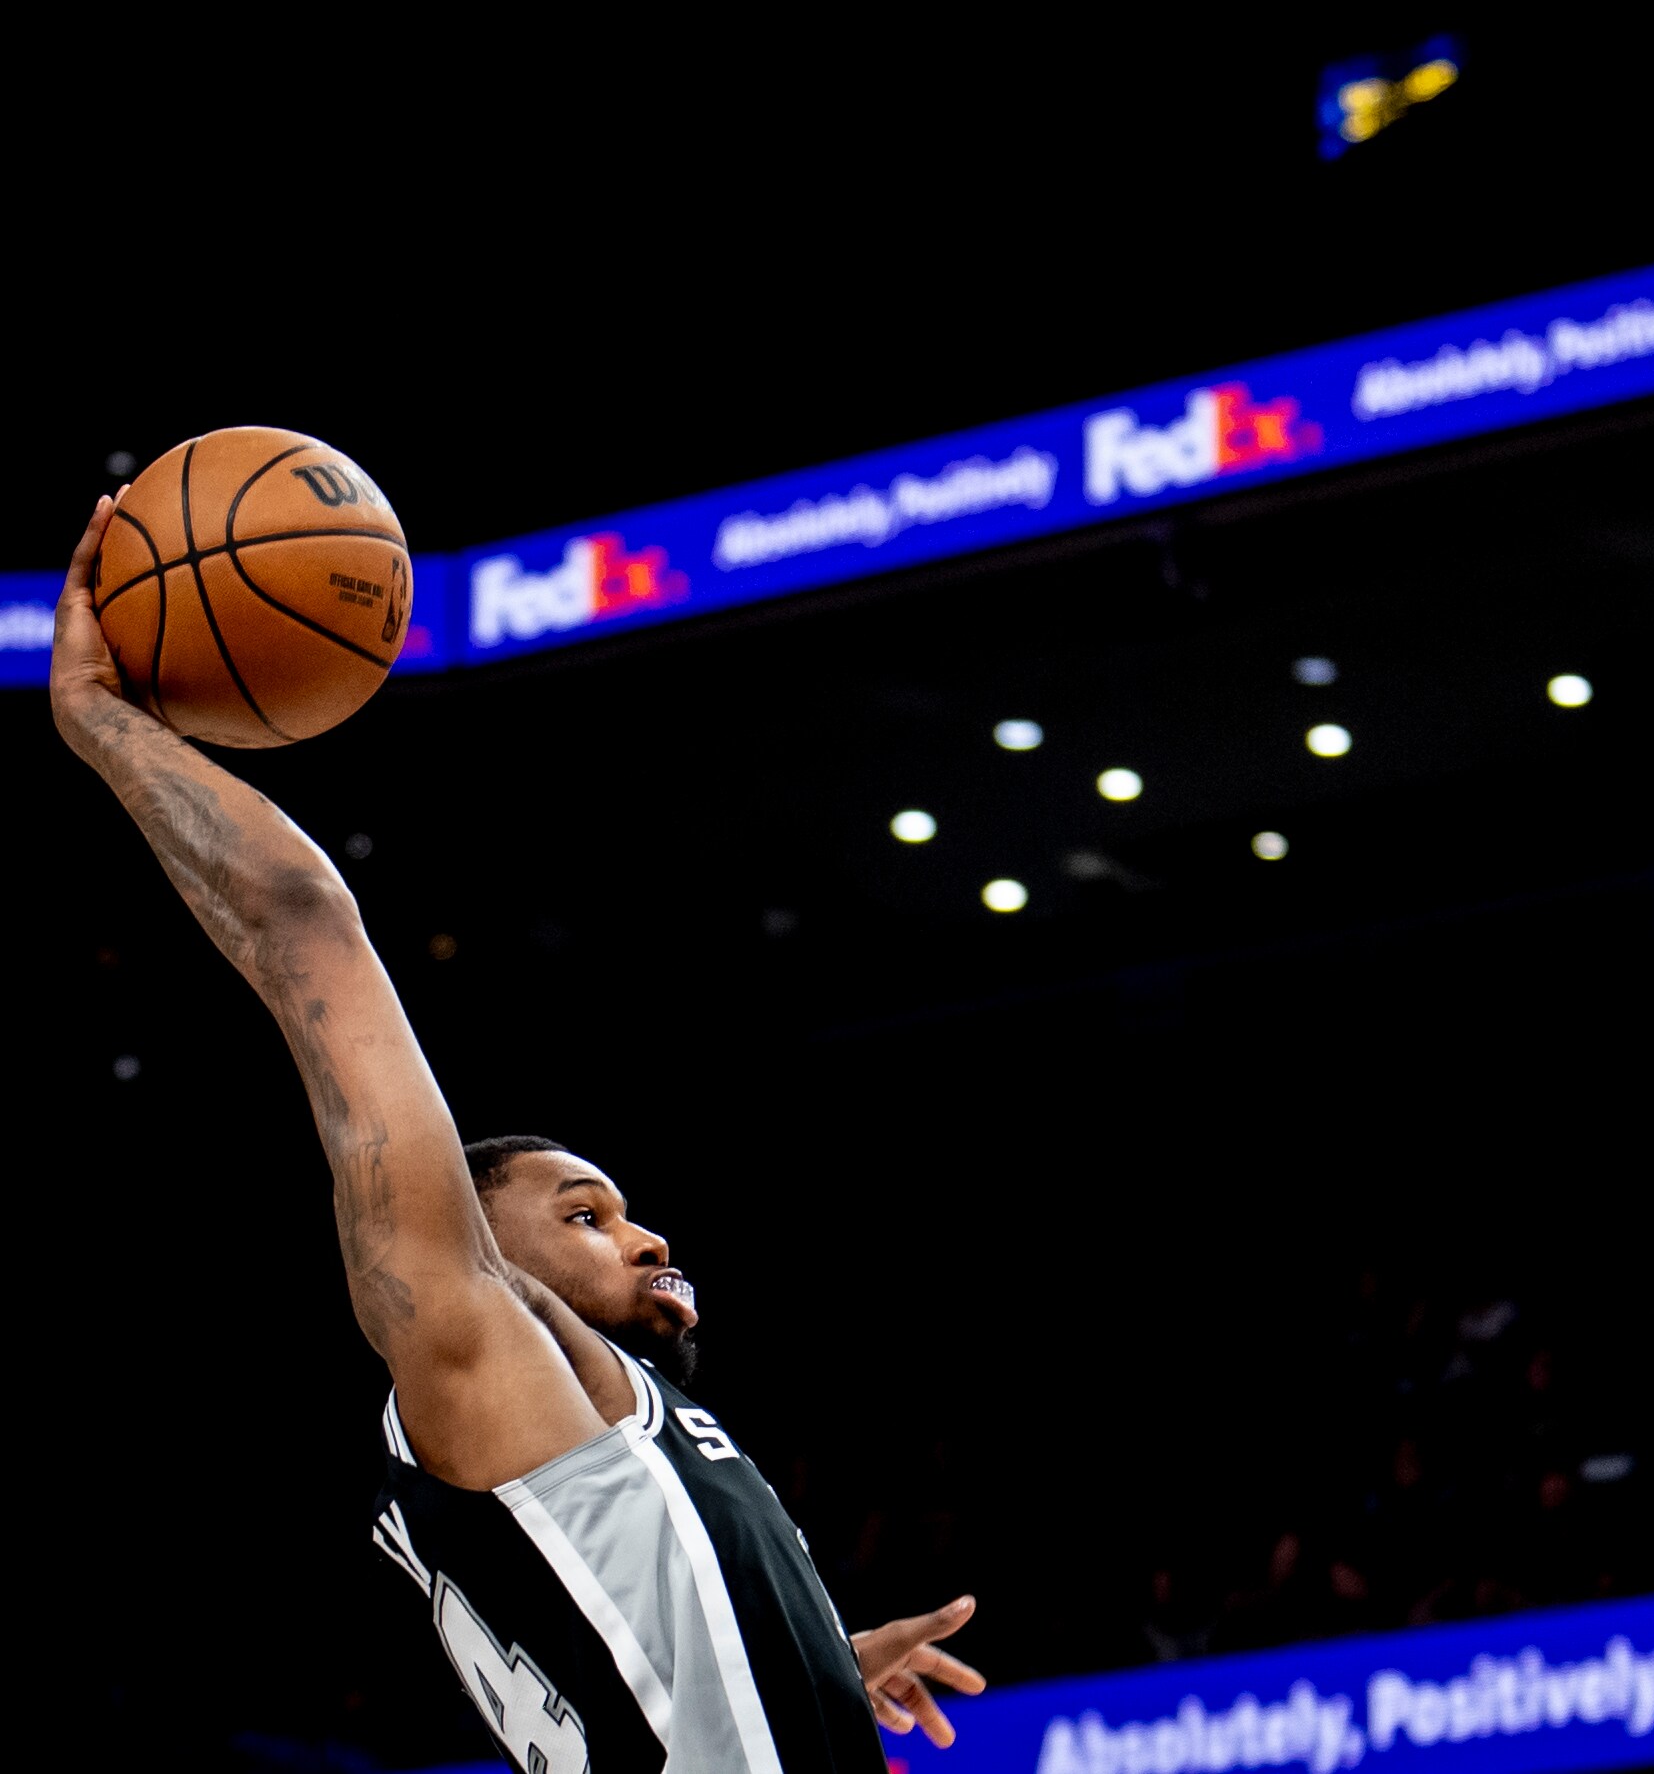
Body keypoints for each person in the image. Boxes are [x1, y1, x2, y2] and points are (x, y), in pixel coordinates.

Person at [48, 497, 981, 1773]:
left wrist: (813, 1659)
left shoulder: (574, 1447)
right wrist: (102, 724)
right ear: (469, 1241)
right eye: (585, 1214)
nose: (648, 1234)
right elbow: (304, 924)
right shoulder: (473, 1335)